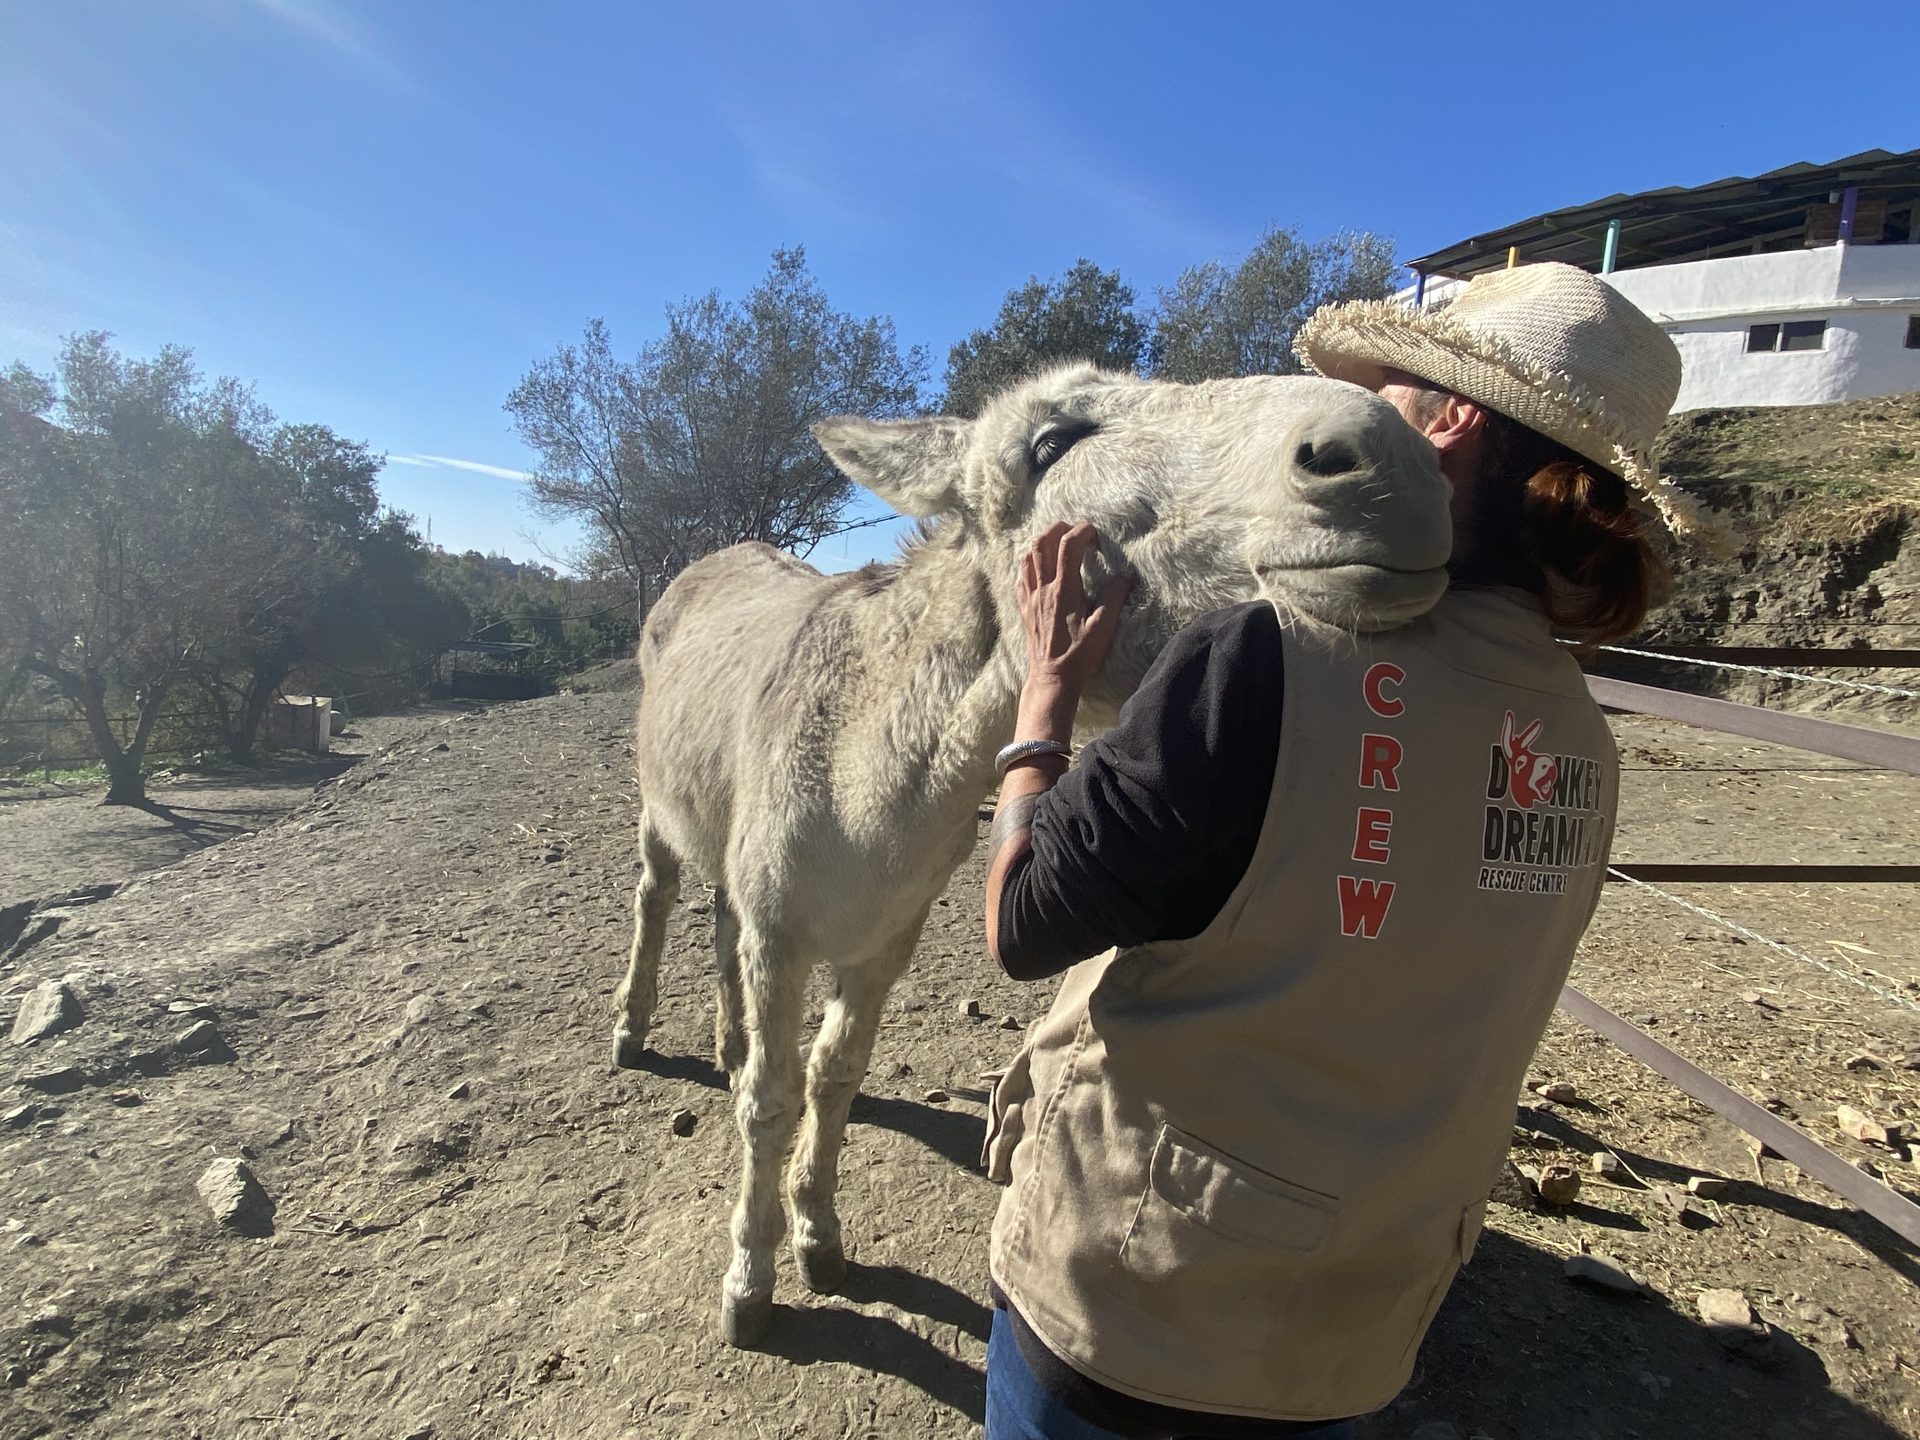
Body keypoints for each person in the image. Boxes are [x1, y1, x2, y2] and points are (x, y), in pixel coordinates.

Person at [976, 262, 1699, 1440]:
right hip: (1361, 1326)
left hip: (1134, 1306)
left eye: (1394, 396)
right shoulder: (1576, 732)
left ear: (1445, 419)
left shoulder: (1262, 661)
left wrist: (1044, 700)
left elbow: (1021, 920)